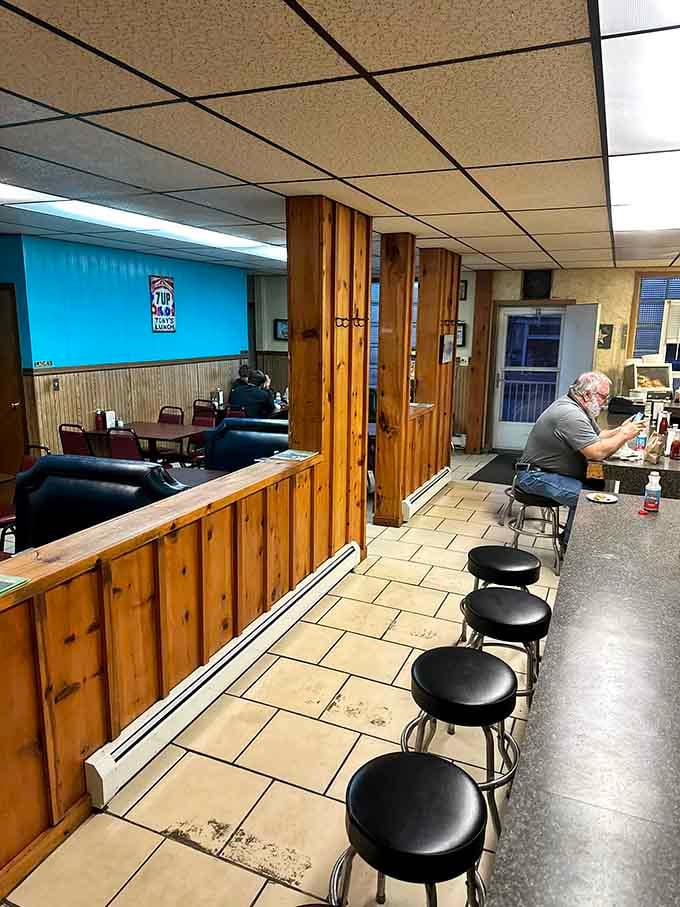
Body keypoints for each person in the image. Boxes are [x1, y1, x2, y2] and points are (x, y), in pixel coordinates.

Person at [515, 371, 645, 545]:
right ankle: (571, 549)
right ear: (586, 394)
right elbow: (597, 452)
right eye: (603, 397)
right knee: (590, 499)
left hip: (546, 472)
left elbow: (597, 437)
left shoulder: (577, 407)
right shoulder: (569, 414)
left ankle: (573, 539)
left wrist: (620, 430)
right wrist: (624, 436)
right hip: (535, 476)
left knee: (597, 486)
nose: (604, 403)